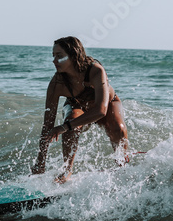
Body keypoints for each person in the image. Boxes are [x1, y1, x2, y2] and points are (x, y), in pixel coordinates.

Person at [31, 36, 129, 183]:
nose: (54, 61)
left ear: (74, 55)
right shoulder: (57, 83)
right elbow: (48, 125)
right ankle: (67, 169)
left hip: (107, 103)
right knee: (71, 122)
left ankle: (123, 166)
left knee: (118, 129)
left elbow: (100, 110)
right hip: (77, 104)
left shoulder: (95, 70)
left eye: (59, 56)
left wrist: (64, 127)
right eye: (53, 56)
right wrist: (40, 162)